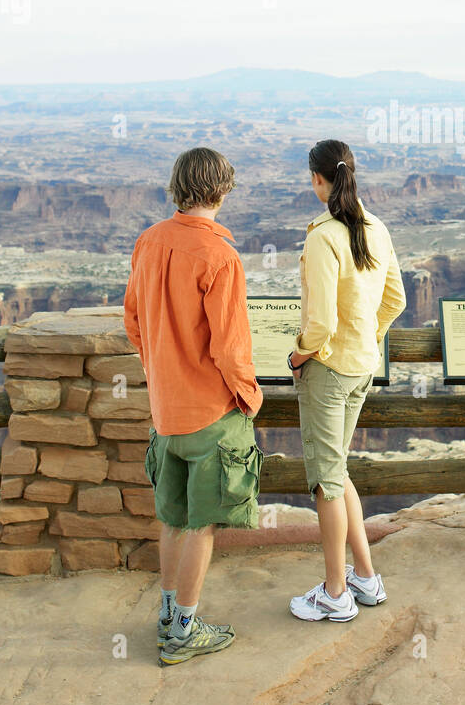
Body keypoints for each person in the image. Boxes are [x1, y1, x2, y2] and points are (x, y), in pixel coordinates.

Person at [123, 147, 263, 666]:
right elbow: (229, 348)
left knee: (174, 519)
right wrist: (249, 396)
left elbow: (134, 320)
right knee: (204, 522)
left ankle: (166, 613)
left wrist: (160, 367)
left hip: (165, 412)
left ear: (177, 185)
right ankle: (183, 630)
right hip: (210, 412)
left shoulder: (149, 240)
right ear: (223, 190)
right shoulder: (220, 256)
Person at [287, 139, 407, 621]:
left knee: (326, 483)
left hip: (329, 370)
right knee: (339, 472)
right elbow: (394, 299)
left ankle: (335, 594)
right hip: (362, 366)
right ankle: (366, 577)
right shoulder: (376, 227)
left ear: (318, 179)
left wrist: (299, 355)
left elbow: (317, 324)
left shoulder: (323, 235)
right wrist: (368, 337)